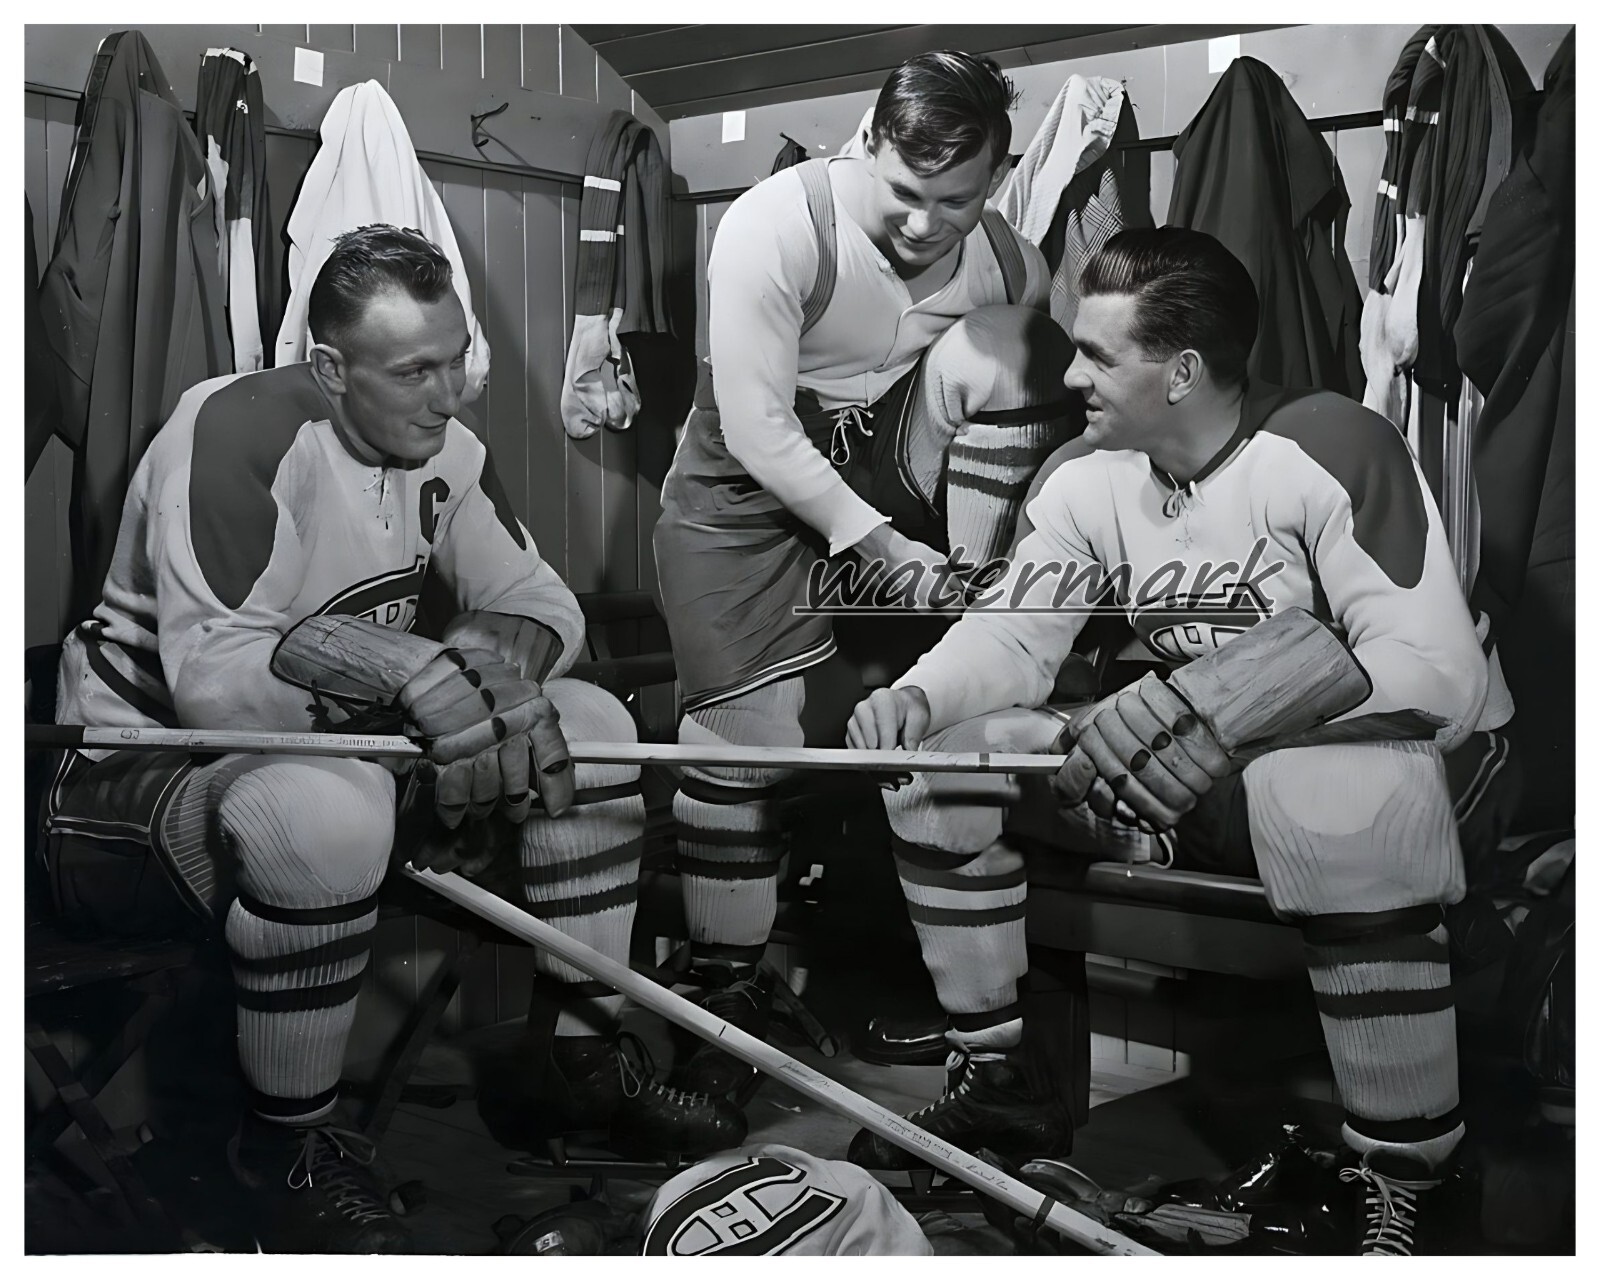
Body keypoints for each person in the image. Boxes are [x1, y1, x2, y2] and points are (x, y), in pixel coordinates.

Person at [45, 225, 740, 1254]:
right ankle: (284, 1149)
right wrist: (400, 669)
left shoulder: (444, 448)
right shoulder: (235, 427)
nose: (447, 393)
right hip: (127, 782)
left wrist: (497, 660)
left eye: (456, 358)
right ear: (332, 368)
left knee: (591, 725)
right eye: (414, 370)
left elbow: (543, 603)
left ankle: (580, 1066)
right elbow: (213, 689)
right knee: (319, 806)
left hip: (339, 761)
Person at [845, 227, 1516, 1255]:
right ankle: (1003, 1084)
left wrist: (1209, 707)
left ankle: (1413, 1174)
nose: (1070, 376)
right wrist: (917, 698)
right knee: (946, 771)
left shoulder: (1330, 444)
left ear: (1184, 371)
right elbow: (1014, 637)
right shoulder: (1085, 472)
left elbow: (1438, 678)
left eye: (1097, 355)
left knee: (1331, 795)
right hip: (1222, 773)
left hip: (1432, 765)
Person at [653, 50, 1078, 1111]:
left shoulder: (1009, 259)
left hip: (895, 480)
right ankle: (724, 996)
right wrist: (886, 551)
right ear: (868, 144)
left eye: (957, 200)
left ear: (997, 177)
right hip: (744, 494)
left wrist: (995, 584)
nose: (927, 224)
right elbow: (757, 426)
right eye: (904, 193)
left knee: (1016, 345)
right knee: (738, 745)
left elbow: (1061, 396)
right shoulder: (776, 222)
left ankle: (965, 1028)